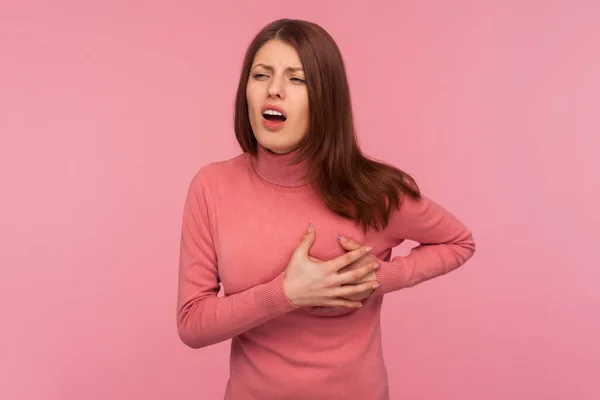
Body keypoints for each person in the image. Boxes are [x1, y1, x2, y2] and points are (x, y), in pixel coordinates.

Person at [176, 18, 476, 400]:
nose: (274, 90)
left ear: (326, 97)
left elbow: (459, 242)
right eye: (261, 74)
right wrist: (286, 293)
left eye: (296, 79)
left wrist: (381, 278)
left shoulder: (375, 191)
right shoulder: (212, 186)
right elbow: (192, 324)